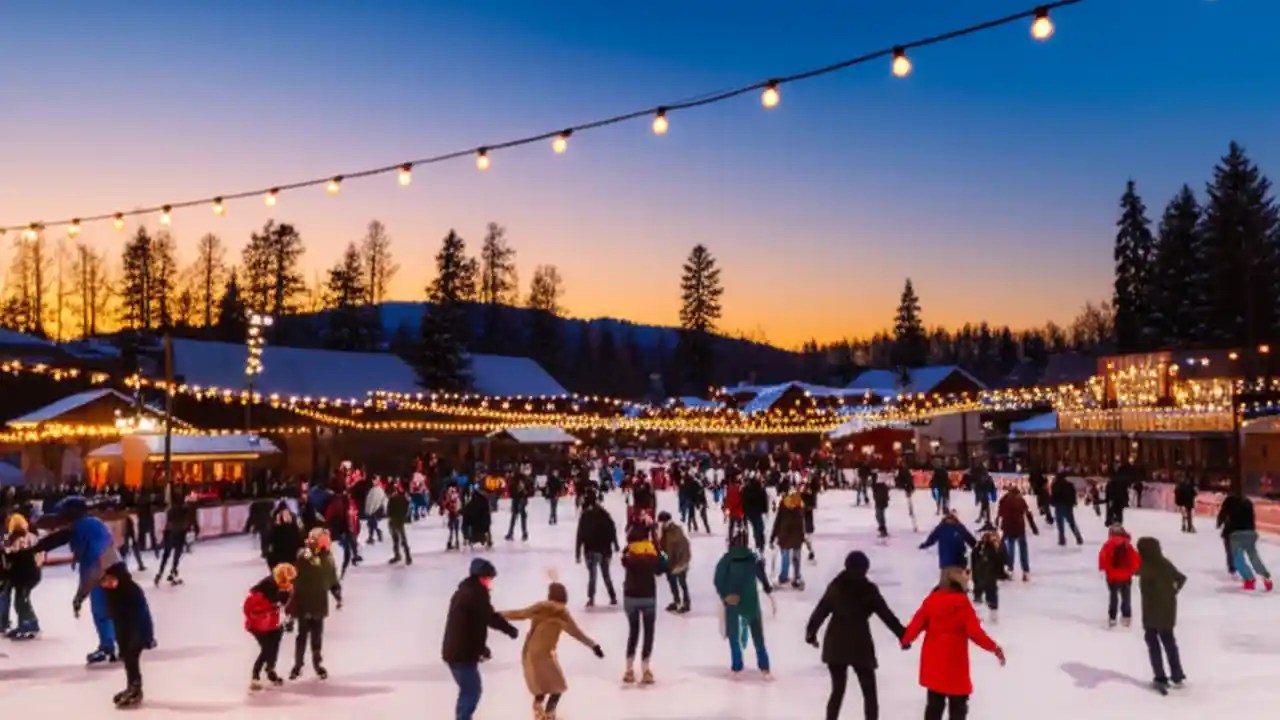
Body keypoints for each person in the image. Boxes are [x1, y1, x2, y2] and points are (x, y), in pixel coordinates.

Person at [805, 551, 905, 720]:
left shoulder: (836, 586)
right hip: (860, 645)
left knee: (837, 691)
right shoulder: (868, 589)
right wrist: (903, 635)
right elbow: (886, 614)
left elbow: (820, 611)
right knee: (869, 693)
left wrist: (811, 633)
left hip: (835, 645)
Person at [901, 566, 1006, 720]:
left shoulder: (932, 601)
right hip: (955, 666)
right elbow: (976, 633)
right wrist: (994, 648)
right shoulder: (962, 604)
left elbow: (916, 625)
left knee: (934, 706)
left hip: (934, 664)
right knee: (958, 708)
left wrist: (905, 640)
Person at [32, 497, 121, 663]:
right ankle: (121, 645)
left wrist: (80, 596)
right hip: (114, 566)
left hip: (102, 569)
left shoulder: (82, 527)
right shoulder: (89, 524)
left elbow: (63, 540)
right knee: (113, 609)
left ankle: (108, 647)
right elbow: (59, 538)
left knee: (101, 609)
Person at [501, 582, 604, 720]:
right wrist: (593, 646)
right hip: (545, 654)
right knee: (557, 686)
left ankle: (538, 707)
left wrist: (495, 615)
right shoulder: (562, 614)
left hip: (530, 652)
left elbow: (519, 614)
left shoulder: (541, 608)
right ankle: (549, 713)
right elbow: (576, 633)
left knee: (542, 685)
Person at [442, 558, 519, 720]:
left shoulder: (465, 591)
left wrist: (481, 649)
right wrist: (509, 630)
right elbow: (487, 619)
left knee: (469, 690)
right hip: (461, 654)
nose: (489, 582)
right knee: (472, 691)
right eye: (488, 578)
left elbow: (473, 624)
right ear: (480, 577)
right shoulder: (475, 595)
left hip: (456, 651)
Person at [714, 529, 774, 677]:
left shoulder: (726, 560)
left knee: (734, 636)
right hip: (751, 601)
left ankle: (737, 666)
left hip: (733, 602)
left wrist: (725, 595)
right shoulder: (753, 557)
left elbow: (718, 579)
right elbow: (762, 574)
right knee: (758, 636)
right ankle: (764, 666)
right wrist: (768, 589)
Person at [287, 528, 342, 680]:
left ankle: (309, 664)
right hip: (308, 602)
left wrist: (336, 592)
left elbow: (330, 577)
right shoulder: (309, 556)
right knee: (307, 635)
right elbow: (330, 579)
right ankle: (302, 665)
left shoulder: (322, 557)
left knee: (310, 636)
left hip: (314, 602)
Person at [1135, 537, 1186, 692]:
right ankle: (1177, 675)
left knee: (1153, 644)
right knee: (1169, 642)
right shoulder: (1165, 563)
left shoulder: (1146, 566)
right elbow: (1181, 578)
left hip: (1151, 612)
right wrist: (1173, 592)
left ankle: (1160, 677)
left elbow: (1134, 572)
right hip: (1168, 610)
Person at [102, 564, 155, 708]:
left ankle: (135, 687)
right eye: (106, 581)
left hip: (138, 629)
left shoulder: (131, 590)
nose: (108, 583)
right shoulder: (111, 593)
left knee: (131, 655)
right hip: (126, 631)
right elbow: (114, 616)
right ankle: (132, 686)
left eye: (111, 580)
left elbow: (141, 615)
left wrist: (146, 637)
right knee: (127, 658)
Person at [620, 523, 666, 684]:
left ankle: (629, 669)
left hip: (630, 596)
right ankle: (646, 668)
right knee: (648, 633)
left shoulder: (629, 553)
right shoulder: (651, 553)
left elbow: (623, 559)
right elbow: (661, 568)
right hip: (648, 596)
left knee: (633, 631)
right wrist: (656, 543)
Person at [244, 563, 296, 690]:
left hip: (273, 624)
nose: (289, 584)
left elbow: (287, 606)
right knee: (267, 649)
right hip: (258, 626)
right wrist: (262, 614)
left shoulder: (284, 589)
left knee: (274, 647)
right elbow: (249, 610)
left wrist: (289, 619)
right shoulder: (260, 594)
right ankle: (256, 675)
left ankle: (270, 670)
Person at [1219, 489, 1274, 591]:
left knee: (1238, 559)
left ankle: (1249, 578)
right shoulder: (1248, 502)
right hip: (1250, 533)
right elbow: (1252, 517)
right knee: (1254, 556)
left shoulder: (1230, 501)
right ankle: (1265, 576)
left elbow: (1223, 513)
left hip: (1235, 533)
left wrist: (1220, 523)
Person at [576, 495, 620, 607]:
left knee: (592, 575)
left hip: (590, 549)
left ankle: (591, 598)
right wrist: (615, 544)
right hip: (605, 549)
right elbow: (612, 529)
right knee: (606, 575)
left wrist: (578, 553)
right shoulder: (604, 514)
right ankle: (613, 596)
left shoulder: (585, 516)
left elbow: (580, 535)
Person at [4, 512, 42, 639]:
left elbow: (9, 553)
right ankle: (25, 624)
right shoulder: (32, 536)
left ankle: (29, 625)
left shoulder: (16, 539)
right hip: (28, 574)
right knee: (21, 600)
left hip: (25, 575)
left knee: (22, 601)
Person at [1098, 525, 1141, 628]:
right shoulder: (1127, 545)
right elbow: (1136, 559)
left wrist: (1104, 569)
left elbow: (1103, 557)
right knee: (1126, 597)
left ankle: (1112, 617)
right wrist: (1133, 570)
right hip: (1126, 576)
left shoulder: (1108, 544)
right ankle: (1126, 616)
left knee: (1113, 597)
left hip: (1113, 576)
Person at [995, 487, 1038, 582]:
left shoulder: (1004, 500)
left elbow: (1000, 513)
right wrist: (1033, 526)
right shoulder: (1020, 500)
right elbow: (1028, 513)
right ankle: (1025, 571)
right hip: (1019, 527)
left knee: (1011, 548)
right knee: (1023, 549)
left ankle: (1010, 569)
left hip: (1008, 527)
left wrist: (997, 521)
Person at [969, 528, 1008, 623]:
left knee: (982, 595)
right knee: (988, 596)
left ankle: (982, 614)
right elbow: (1002, 561)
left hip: (983, 577)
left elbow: (973, 561)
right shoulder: (988, 548)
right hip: (986, 577)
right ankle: (989, 615)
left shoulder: (981, 547)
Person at [770, 490, 807, 589]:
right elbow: (802, 522)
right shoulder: (800, 505)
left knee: (785, 556)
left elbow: (778, 520)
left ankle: (784, 576)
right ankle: (797, 577)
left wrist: (773, 536)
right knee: (796, 557)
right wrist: (803, 536)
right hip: (796, 534)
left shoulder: (784, 503)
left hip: (784, 533)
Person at [657, 511, 691, 613]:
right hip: (670, 561)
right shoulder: (664, 530)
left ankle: (686, 603)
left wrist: (680, 562)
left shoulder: (675, 531)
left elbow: (680, 547)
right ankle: (676, 601)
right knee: (672, 582)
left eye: (661, 522)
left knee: (682, 582)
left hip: (679, 561)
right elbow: (663, 546)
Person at [155, 496, 192, 586]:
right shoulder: (184, 509)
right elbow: (188, 521)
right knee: (176, 556)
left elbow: (167, 523)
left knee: (166, 555)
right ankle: (172, 575)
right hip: (179, 533)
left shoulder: (170, 510)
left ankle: (160, 574)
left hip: (171, 533)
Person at [265, 503, 303, 573]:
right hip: (285, 552)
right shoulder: (292, 519)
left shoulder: (276, 520)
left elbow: (269, 537)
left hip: (287, 552)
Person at [1050, 472, 1083, 546]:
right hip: (1068, 506)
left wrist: (1052, 503)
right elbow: (1073, 494)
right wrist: (1073, 502)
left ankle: (1062, 539)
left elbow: (1053, 496)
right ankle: (1078, 537)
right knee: (1072, 522)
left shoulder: (1055, 485)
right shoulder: (1069, 485)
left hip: (1059, 505)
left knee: (1060, 523)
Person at [387, 482, 413, 565]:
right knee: (402, 538)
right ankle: (407, 555)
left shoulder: (392, 499)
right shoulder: (403, 497)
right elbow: (407, 507)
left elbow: (389, 511)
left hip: (394, 520)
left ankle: (398, 555)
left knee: (396, 538)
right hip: (400, 519)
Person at [741, 477, 769, 552]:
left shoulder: (746, 489)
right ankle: (760, 543)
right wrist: (765, 510)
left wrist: (744, 511)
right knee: (759, 527)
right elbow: (764, 501)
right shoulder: (761, 490)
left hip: (749, 512)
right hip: (758, 512)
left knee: (755, 527)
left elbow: (743, 501)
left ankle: (758, 543)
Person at [506, 473, 531, 542]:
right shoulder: (524, 480)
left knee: (515, 517)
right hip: (519, 499)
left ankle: (512, 533)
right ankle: (523, 533)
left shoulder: (516, 481)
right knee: (519, 517)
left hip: (518, 499)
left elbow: (511, 490)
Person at [895, 462, 918, 532]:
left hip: (907, 488)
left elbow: (907, 480)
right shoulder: (904, 470)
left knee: (910, 505)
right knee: (910, 505)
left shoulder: (902, 471)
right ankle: (914, 523)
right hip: (907, 488)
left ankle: (914, 523)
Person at [364, 479, 387, 545]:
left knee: (371, 524)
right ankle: (376, 534)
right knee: (372, 523)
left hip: (374, 510)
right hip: (378, 509)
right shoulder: (381, 490)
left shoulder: (372, 491)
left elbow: (370, 502)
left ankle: (372, 536)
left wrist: (368, 511)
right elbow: (384, 500)